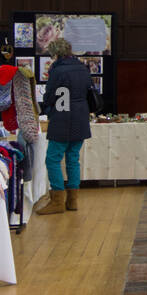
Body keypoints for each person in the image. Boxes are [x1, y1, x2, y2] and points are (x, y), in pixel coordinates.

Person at [38, 37, 99, 214]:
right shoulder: (83, 68)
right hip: (80, 116)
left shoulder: (57, 71)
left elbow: (50, 95)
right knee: (73, 158)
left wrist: (48, 108)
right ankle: (73, 201)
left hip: (62, 117)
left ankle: (57, 201)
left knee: (52, 158)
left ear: (56, 53)